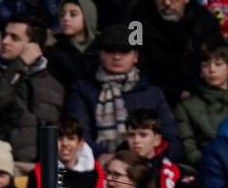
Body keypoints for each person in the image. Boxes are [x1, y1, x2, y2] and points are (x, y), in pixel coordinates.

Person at [62, 23, 180, 161]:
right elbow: (77, 135)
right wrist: (107, 158)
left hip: (148, 169)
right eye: (110, 51)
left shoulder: (153, 93)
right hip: (98, 167)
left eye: (124, 51)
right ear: (100, 54)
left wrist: (151, 162)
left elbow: (173, 142)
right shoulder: (82, 90)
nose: (117, 57)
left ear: (135, 56)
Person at [0, 14, 65, 168]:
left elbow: (54, 134)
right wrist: (20, 65)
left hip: (36, 170)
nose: (5, 41)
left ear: (34, 47)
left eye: (14, 38)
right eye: (5, 35)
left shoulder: (53, 86)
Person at [174, 42, 228, 169]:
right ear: (201, 72)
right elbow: (189, 149)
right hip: (207, 168)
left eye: (218, 64)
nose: (212, 70)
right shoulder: (186, 107)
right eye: (205, 65)